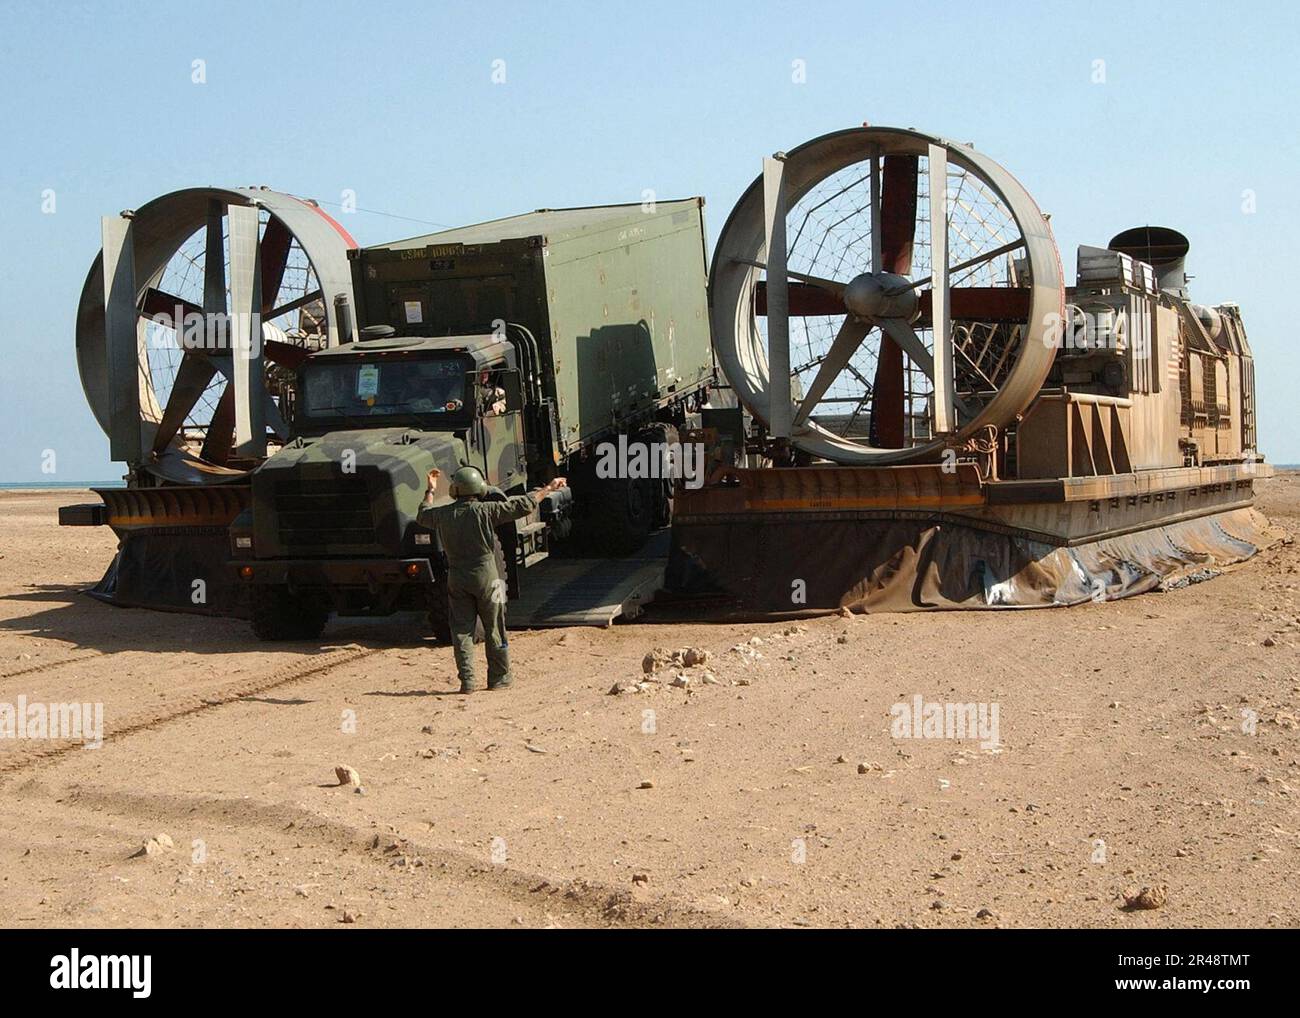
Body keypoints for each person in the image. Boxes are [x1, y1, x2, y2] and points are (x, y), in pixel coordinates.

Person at [417, 466, 567, 693]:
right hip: (489, 579)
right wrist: (548, 487)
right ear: (479, 488)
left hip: (457, 579)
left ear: (455, 489)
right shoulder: (487, 510)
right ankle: (499, 678)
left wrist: (430, 490)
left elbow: (422, 514)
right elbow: (523, 505)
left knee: (461, 632)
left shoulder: (443, 515)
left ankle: (467, 682)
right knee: (495, 627)